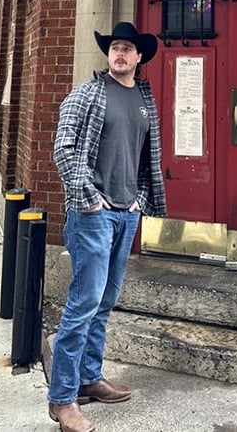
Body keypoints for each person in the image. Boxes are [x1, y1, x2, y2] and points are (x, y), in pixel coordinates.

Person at [47, 22, 167, 432]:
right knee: (83, 303)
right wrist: (90, 198)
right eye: (115, 47)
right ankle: (62, 400)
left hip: (126, 212)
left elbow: (145, 157)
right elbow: (62, 148)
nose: (119, 53)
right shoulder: (87, 93)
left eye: (127, 49)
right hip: (92, 214)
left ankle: (89, 378)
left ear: (139, 58)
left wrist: (139, 200)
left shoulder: (143, 100)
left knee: (104, 301)